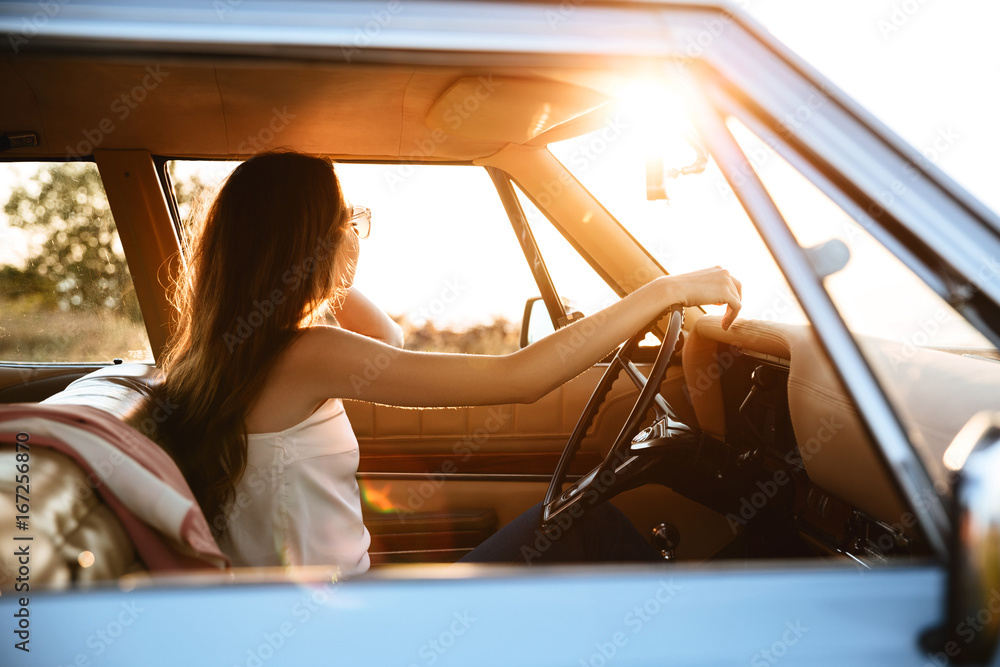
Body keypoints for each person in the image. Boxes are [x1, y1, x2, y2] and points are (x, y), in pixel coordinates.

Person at [153, 150, 741, 576]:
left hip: (334, 620)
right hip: (348, 636)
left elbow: (383, 336)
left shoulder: (227, 360)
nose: (356, 235)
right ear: (309, 246)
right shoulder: (307, 353)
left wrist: (308, 260)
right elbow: (522, 377)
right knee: (588, 526)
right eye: (347, 223)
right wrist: (663, 291)